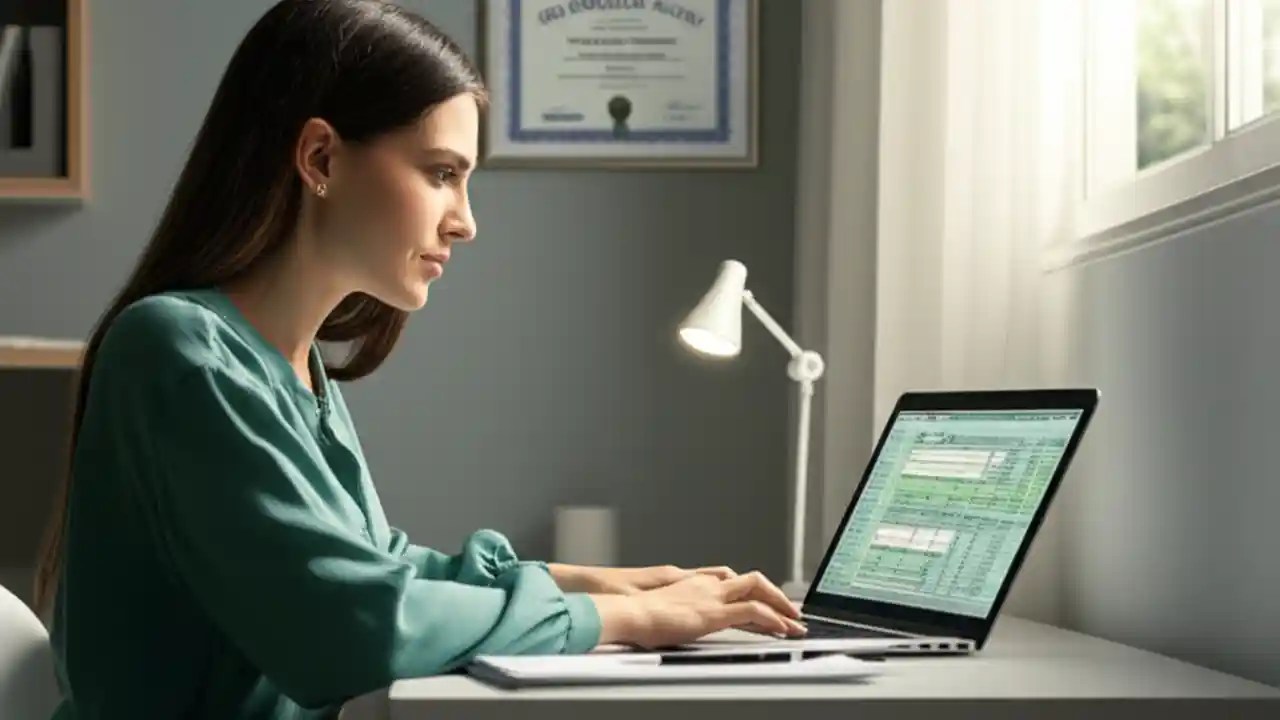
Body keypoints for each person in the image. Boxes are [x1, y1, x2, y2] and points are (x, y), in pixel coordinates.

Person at [33, 2, 804, 718]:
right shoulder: (179, 349)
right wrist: (622, 619)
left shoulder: (297, 368)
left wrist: (603, 583)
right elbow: (352, 629)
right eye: (441, 174)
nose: (464, 222)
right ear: (321, 158)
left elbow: (372, 571)